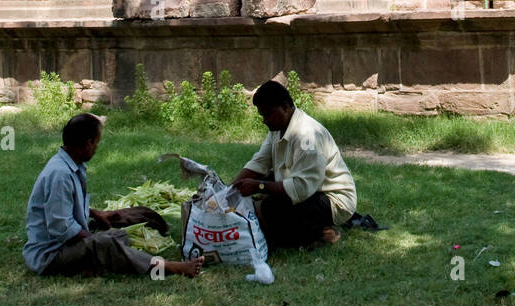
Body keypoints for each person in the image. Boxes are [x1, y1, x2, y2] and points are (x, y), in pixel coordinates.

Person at [24, 112, 202, 278]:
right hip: (51, 256)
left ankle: (98, 260)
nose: (96, 148)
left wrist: (97, 214)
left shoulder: (70, 165)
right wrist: (95, 240)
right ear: (87, 143)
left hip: (66, 243)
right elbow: (61, 227)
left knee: (120, 229)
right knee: (108, 242)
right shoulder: (60, 175)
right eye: (96, 143)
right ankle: (169, 267)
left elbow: (66, 206)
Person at [231, 80, 357, 248]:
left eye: (268, 114)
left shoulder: (307, 136)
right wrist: (228, 192)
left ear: (285, 107)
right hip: (307, 188)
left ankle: (322, 233)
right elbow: (259, 163)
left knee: (270, 211)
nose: (264, 120)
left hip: (333, 200)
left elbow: (301, 188)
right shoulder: (278, 129)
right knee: (263, 206)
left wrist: (260, 187)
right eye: (262, 115)